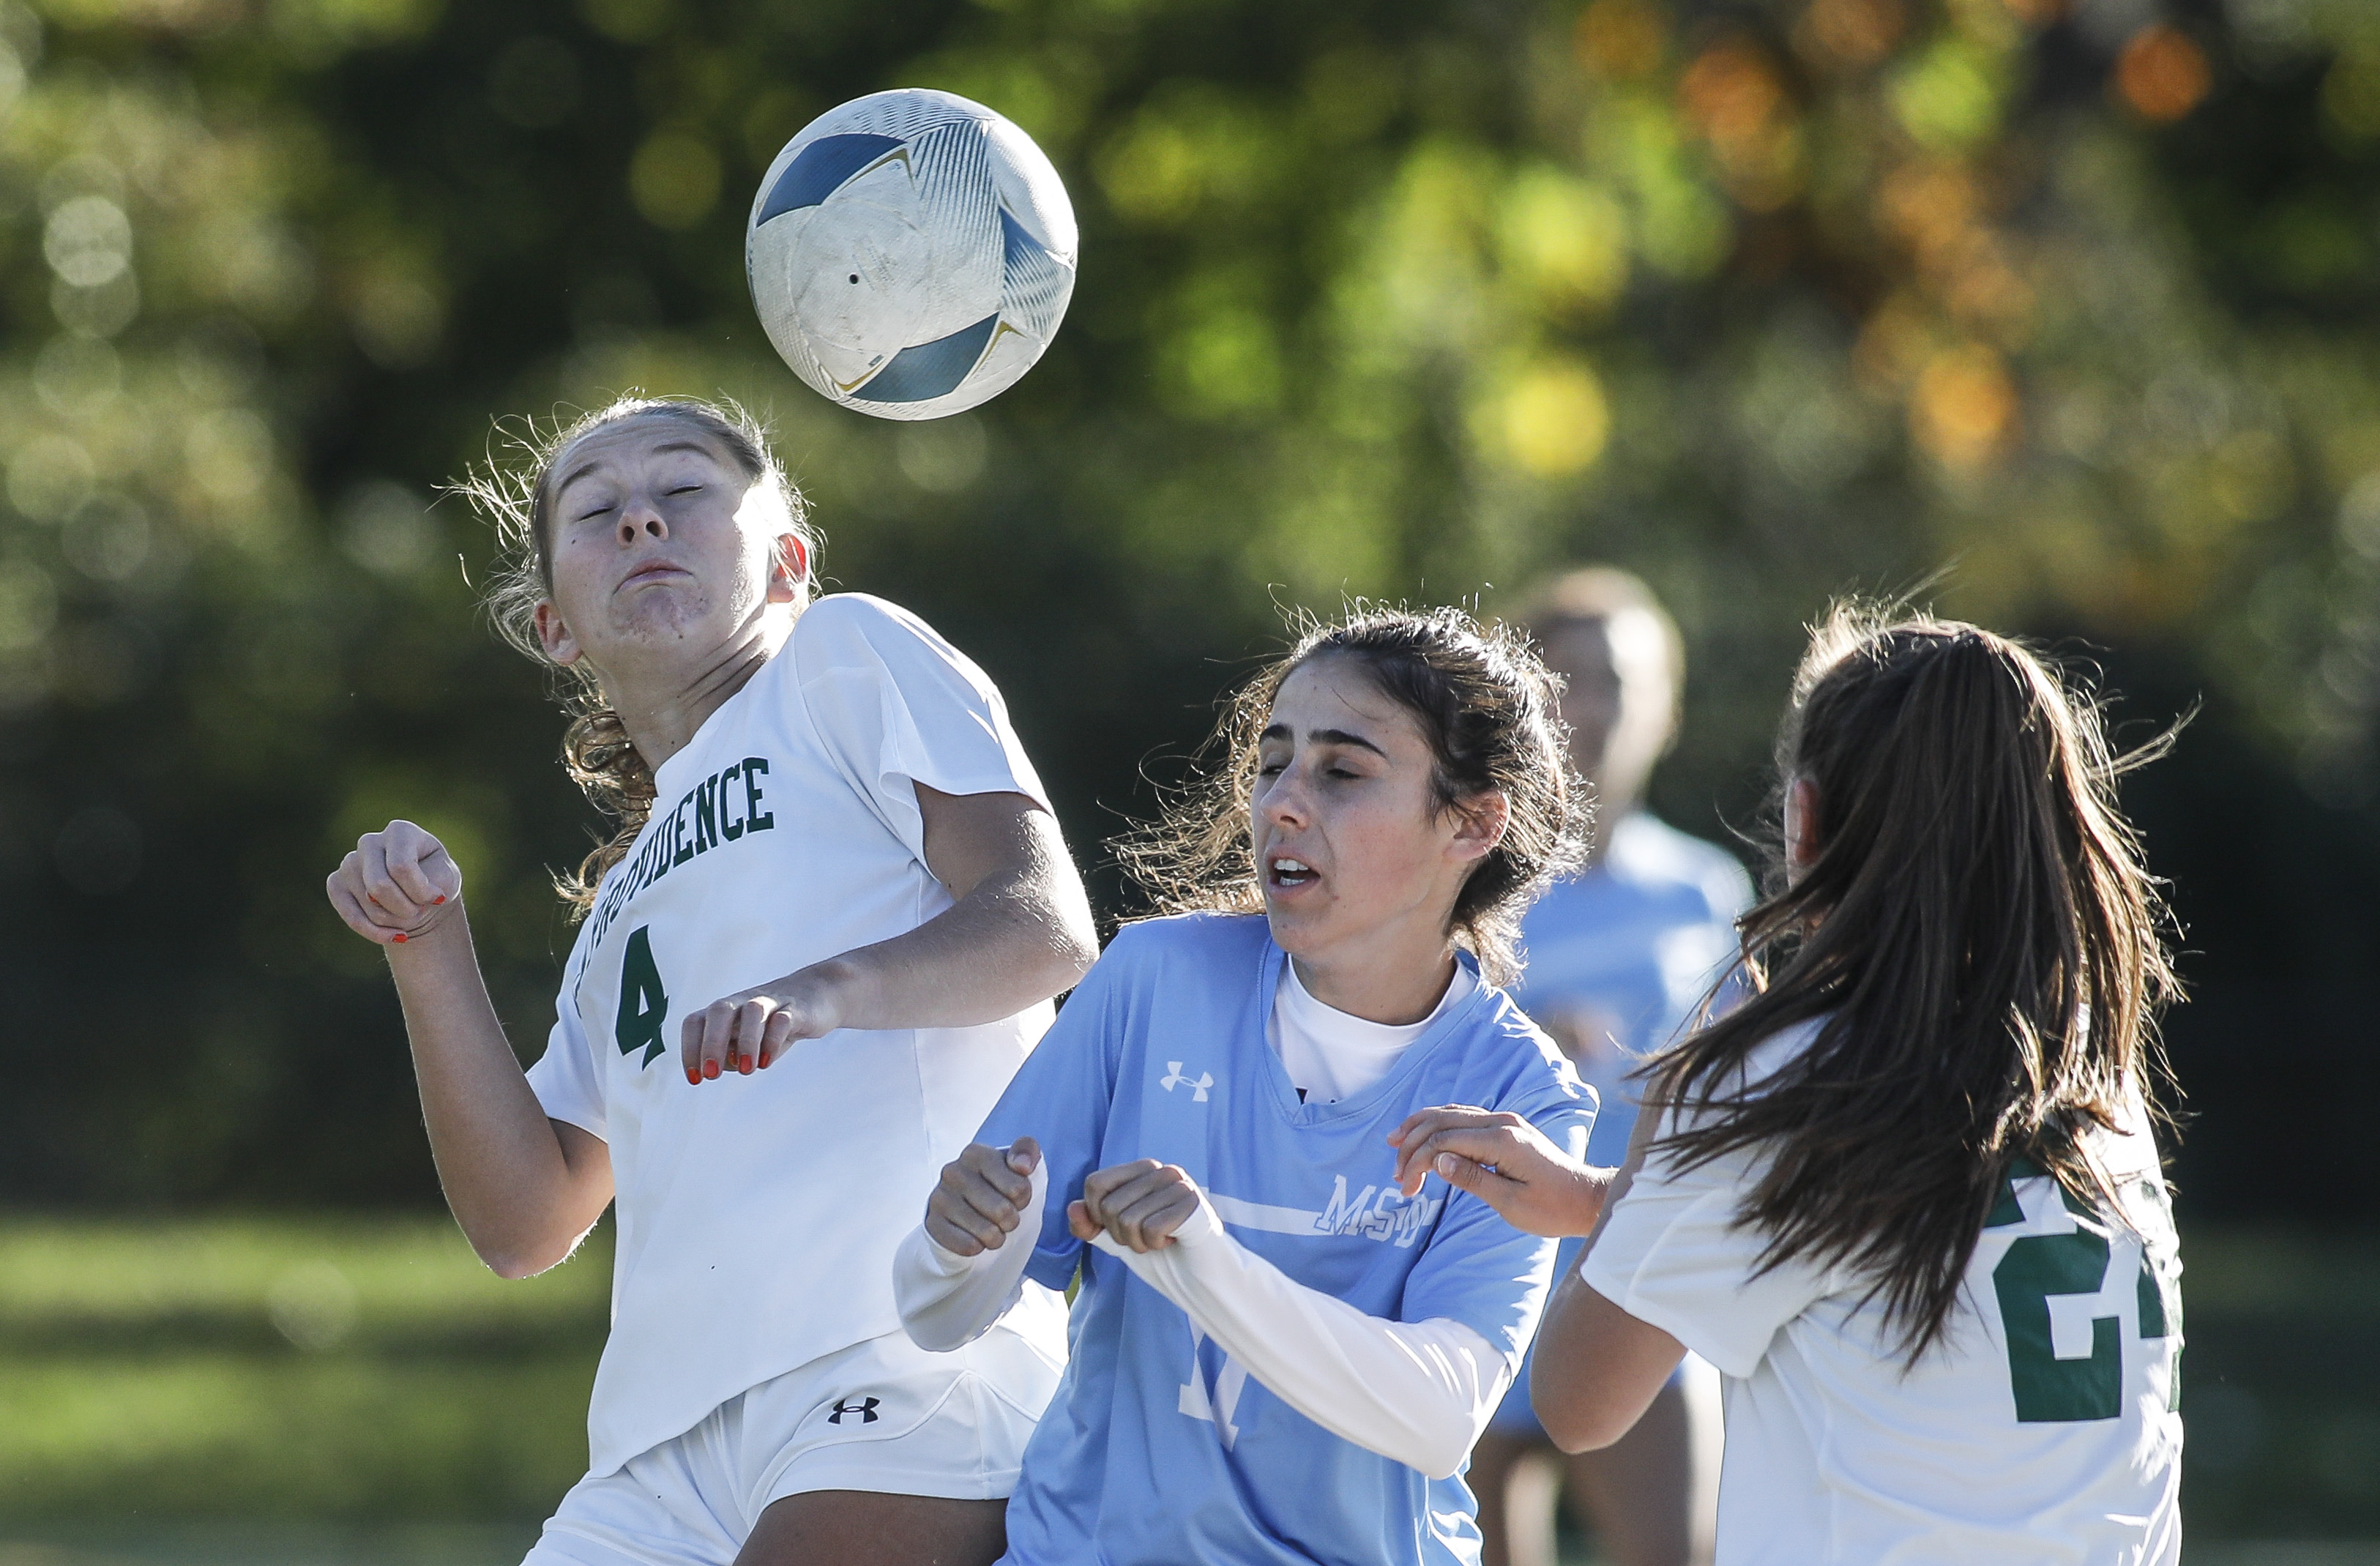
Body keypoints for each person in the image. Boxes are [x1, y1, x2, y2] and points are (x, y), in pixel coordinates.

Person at [322, 395, 1099, 1566]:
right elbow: (524, 1224)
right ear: (555, 628)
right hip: (655, 1456)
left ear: (788, 565)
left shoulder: (846, 656)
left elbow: (1045, 928)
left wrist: (825, 992)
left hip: (904, 1358)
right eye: (596, 511)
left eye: (684, 489)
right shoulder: (619, 908)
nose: (641, 520)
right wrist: (427, 948)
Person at [1399, 606, 2186, 1565]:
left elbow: (1575, 1400)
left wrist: (1674, 1113)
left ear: (1804, 819)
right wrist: (1605, 1200)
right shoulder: (2089, 1072)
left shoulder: (1781, 1077)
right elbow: (1868, 1229)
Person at [892, 607, 1598, 1566]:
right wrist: (952, 1249)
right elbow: (939, 1318)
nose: (1283, 803)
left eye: (1342, 772)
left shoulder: (1523, 1091)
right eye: (1273, 764)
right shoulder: (1152, 978)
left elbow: (1441, 1418)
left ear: (1472, 823)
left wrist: (1204, 1261)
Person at [1470, 568, 1746, 1566]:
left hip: (1638, 1271)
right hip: (1469, 1273)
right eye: (1564, 681)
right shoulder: (1464, 878)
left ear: (1664, 708)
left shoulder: (1707, 891)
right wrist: (1524, 1037)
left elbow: (1747, 1093)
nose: (1590, 709)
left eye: (1617, 683)